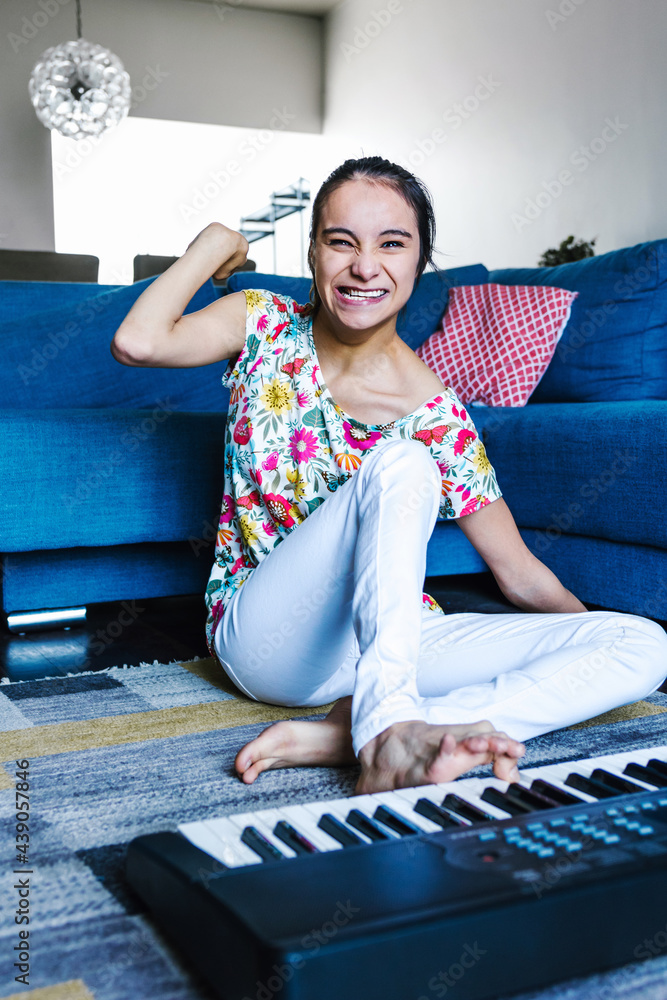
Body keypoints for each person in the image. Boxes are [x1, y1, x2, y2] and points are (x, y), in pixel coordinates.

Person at [112, 156, 667, 795]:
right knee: (405, 461)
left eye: (392, 244)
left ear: (419, 261)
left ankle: (354, 732)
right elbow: (138, 342)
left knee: (640, 644)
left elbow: (518, 574)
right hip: (271, 644)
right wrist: (215, 244)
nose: (365, 266)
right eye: (341, 241)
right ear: (313, 251)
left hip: (391, 652)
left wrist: (572, 640)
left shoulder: (440, 417)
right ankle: (386, 730)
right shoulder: (264, 323)